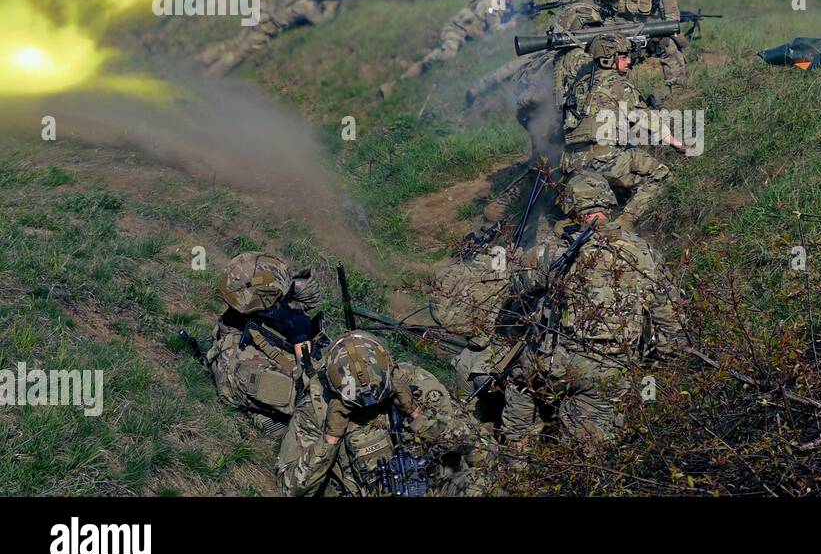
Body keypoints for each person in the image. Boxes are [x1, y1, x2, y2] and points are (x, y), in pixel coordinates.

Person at [474, 186, 683, 449]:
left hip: (552, 361)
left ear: (574, 212)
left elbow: (517, 286)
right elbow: (671, 319)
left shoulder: (556, 251)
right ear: (609, 209)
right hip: (607, 367)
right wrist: (662, 369)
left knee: (520, 388)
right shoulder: (645, 253)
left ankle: (518, 455)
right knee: (591, 444)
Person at [277, 331, 493, 496]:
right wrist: (330, 439)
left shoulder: (416, 382)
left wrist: (417, 415)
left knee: (480, 483)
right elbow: (290, 487)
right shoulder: (317, 408)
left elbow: (476, 445)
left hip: (437, 486)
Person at [560, 32, 685, 225]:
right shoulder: (618, 84)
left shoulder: (579, 86)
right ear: (608, 59)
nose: (629, 62)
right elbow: (645, 118)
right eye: (624, 57)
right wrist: (675, 142)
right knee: (661, 173)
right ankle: (626, 220)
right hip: (607, 160)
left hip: (574, 165)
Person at [203, 252, 327, 437]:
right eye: (277, 300)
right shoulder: (248, 367)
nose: (281, 304)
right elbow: (311, 405)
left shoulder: (242, 318)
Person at [196, 0, 343, 77]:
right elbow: (321, 21)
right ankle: (210, 77)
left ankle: (202, 59)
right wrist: (331, 5)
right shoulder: (307, 6)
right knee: (238, 54)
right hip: (267, 28)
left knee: (232, 43)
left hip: (259, 16)